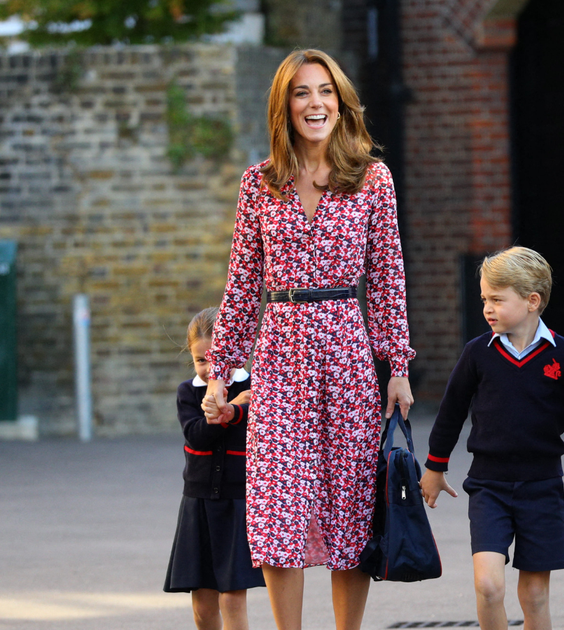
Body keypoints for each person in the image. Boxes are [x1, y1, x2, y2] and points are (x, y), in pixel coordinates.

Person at [202, 49, 416, 630]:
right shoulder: (259, 183)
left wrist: (396, 364)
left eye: (325, 92)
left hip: (348, 351)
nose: (315, 103)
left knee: (350, 511)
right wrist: (220, 370)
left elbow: (389, 276)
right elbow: (243, 285)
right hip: (280, 356)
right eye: (302, 93)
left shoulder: (372, 177)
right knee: (276, 511)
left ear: (341, 102)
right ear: (284, 106)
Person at [420, 247, 564, 630]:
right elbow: (451, 412)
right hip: (488, 487)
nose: (487, 309)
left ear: (532, 301)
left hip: (542, 487)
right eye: (483, 300)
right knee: (489, 585)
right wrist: (434, 467)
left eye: (496, 299)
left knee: (535, 596)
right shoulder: (477, 354)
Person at [164, 307, 265, 630]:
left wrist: (233, 407)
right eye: (200, 360)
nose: (209, 368)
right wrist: (231, 409)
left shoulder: (256, 389)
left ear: (236, 352)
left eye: (215, 358)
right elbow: (196, 436)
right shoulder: (188, 393)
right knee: (203, 604)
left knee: (233, 598)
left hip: (238, 505)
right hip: (199, 504)